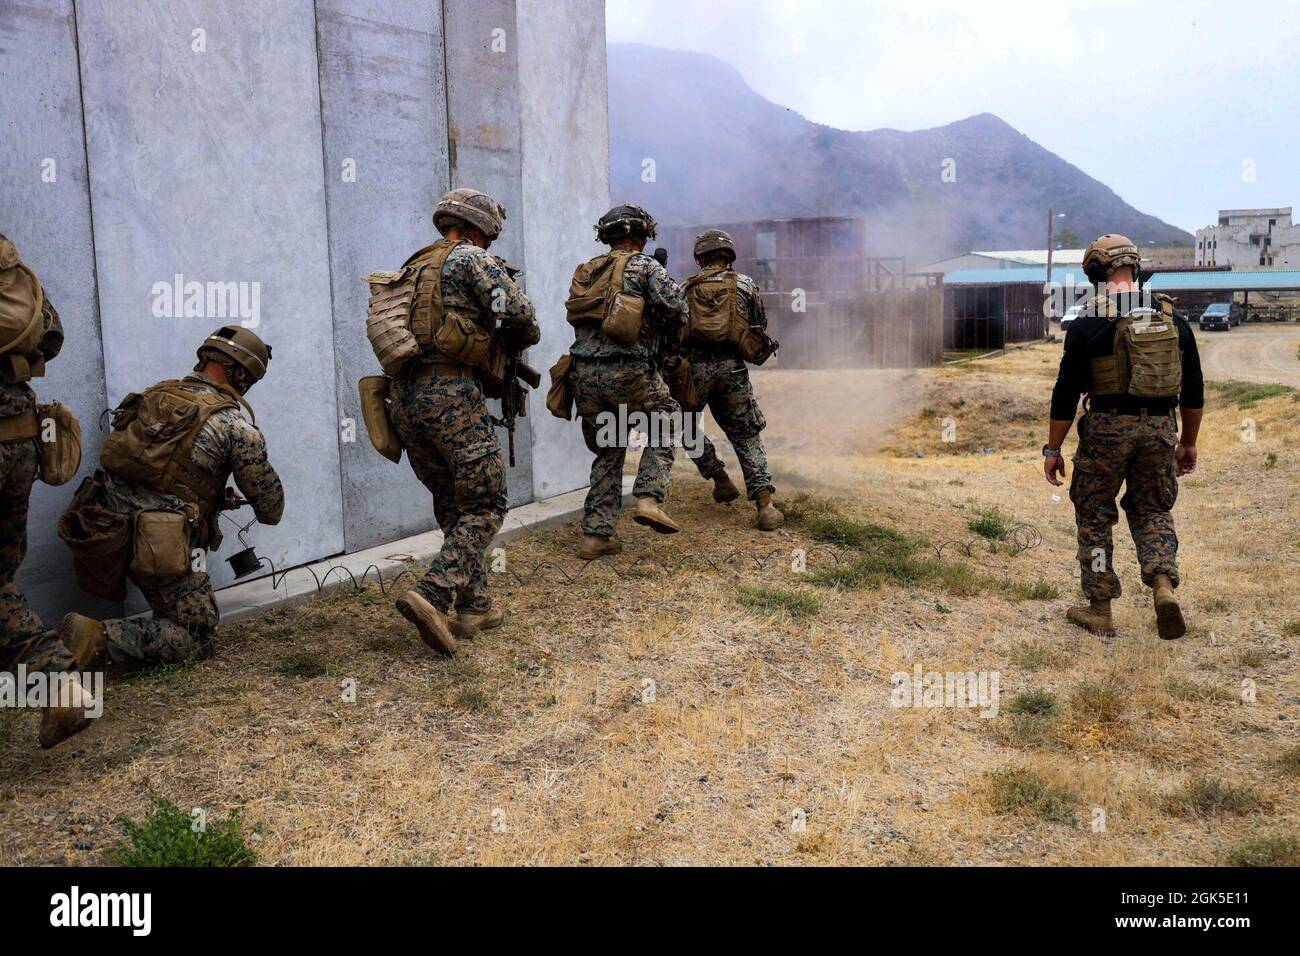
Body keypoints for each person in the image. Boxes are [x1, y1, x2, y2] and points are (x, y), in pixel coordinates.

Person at [58, 326, 284, 678]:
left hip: (102, 527)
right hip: (158, 546)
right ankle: (99, 638)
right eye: (248, 379)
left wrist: (207, 494)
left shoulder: (154, 396)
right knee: (197, 635)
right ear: (238, 372)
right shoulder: (235, 426)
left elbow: (158, 473)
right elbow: (271, 509)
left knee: (177, 612)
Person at [382, 188, 539, 655]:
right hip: (450, 393)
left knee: (454, 500)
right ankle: (431, 593)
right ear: (477, 228)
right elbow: (523, 318)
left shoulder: (413, 266)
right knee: (488, 502)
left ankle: (475, 606)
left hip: (404, 398)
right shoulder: (471, 259)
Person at [1043, 233, 1203, 639]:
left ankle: (1100, 608)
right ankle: (1163, 585)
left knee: (1095, 513)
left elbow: (1065, 394)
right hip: (1161, 428)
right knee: (1152, 510)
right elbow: (1195, 392)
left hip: (1108, 430)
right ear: (1138, 267)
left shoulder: (1087, 324)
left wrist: (1053, 448)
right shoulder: (1173, 320)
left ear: (1096, 272)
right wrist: (1188, 442)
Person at [0, 233, 94, 748]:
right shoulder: (16, 273)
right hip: (18, 438)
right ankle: (60, 682)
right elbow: (51, 336)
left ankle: (58, 681)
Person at [566, 204, 688, 559]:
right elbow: (680, 310)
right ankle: (648, 498)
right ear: (640, 236)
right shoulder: (645, 265)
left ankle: (596, 536)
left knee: (609, 446)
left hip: (585, 376)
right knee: (666, 419)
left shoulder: (586, 269)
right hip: (630, 370)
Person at [679, 229, 782, 530]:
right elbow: (759, 325)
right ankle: (765, 506)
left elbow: (673, 327)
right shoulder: (746, 285)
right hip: (732, 369)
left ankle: (720, 479)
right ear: (729, 256)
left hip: (693, 370)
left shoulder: (686, 287)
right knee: (746, 434)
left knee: (685, 428)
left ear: (700, 258)